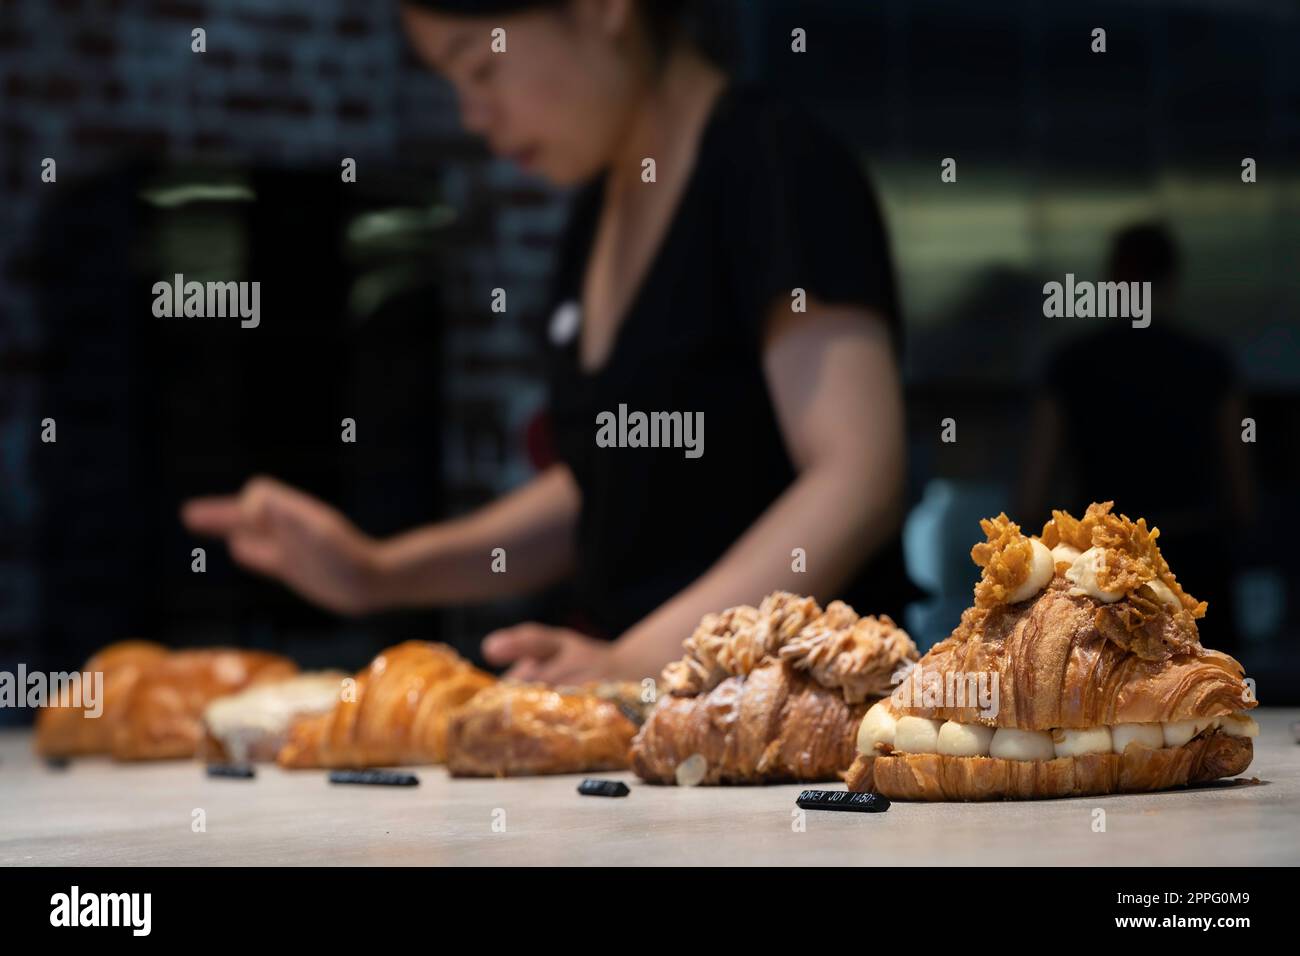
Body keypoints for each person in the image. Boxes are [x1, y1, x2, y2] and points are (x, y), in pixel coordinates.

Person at [182, 0, 914, 681]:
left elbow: (855, 475)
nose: (473, 115)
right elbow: (602, 480)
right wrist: (378, 571)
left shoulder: (778, 165)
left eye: (482, 67)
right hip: (656, 729)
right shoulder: (598, 209)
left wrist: (640, 662)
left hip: (799, 720)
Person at [1021, 222, 1255, 649]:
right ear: (1171, 281)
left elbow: (1036, 487)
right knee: (1208, 691)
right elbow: (1240, 492)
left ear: (1112, 279)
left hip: (1099, 570)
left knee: (1100, 697)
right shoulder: (1208, 364)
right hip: (1193, 558)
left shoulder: (1072, 365)